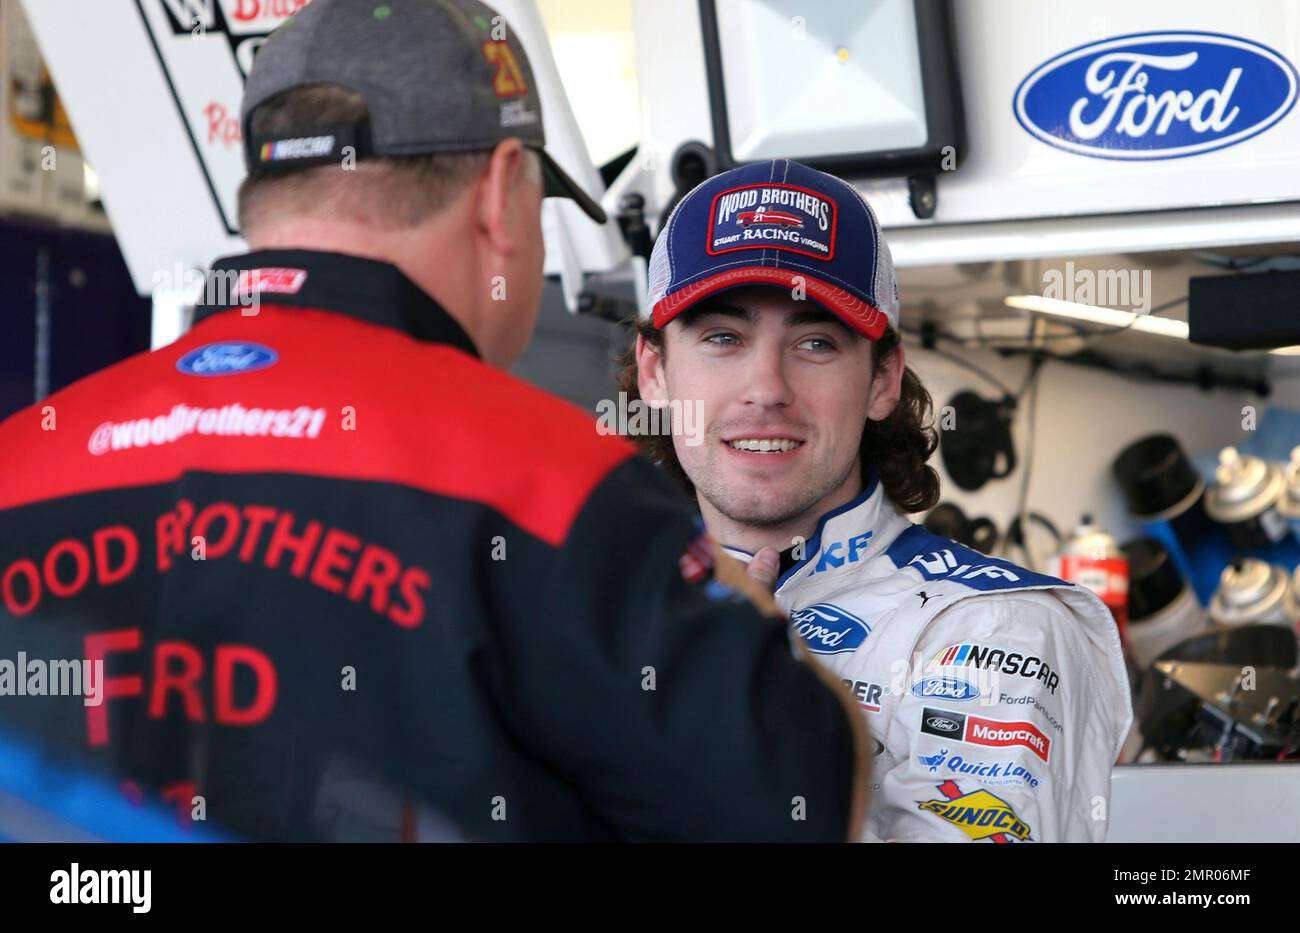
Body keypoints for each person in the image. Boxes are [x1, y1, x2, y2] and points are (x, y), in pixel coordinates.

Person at [0, 0, 867, 842]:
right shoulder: (561, 489)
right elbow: (798, 801)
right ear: (499, 196)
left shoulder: (21, 460)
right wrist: (742, 606)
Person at [621, 158, 1133, 842]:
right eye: (723, 338)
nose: (766, 387)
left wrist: (748, 695)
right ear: (655, 372)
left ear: (883, 379)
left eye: (815, 342)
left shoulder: (993, 629)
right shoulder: (607, 605)